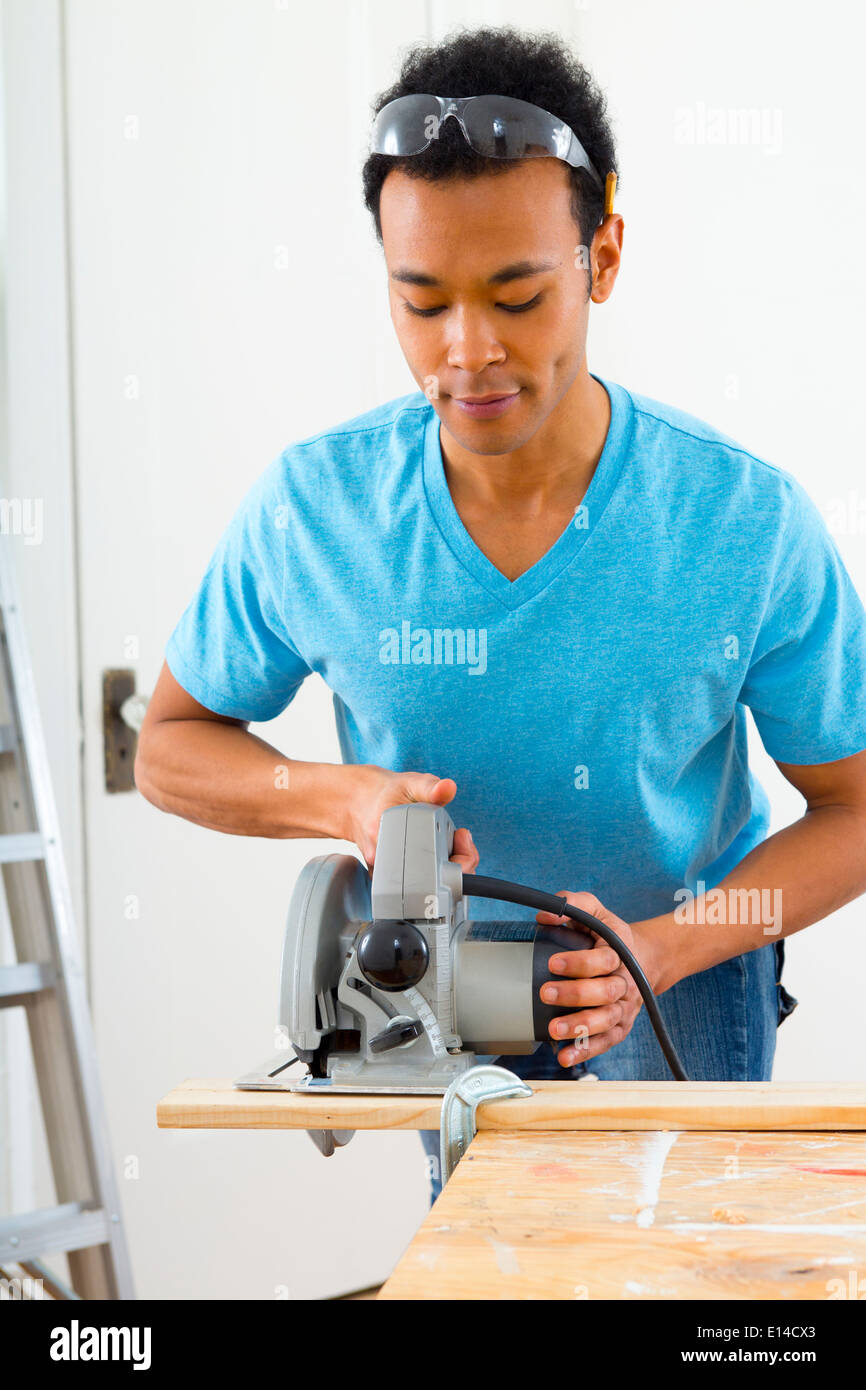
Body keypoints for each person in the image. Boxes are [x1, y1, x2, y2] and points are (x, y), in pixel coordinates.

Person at [135, 27, 866, 1207]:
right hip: (436, 999)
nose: (464, 354)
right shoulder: (315, 512)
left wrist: (660, 946)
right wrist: (342, 799)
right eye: (418, 303)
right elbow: (167, 746)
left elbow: (853, 807)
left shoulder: (741, 521)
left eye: (517, 297)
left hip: (685, 978)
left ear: (602, 256)